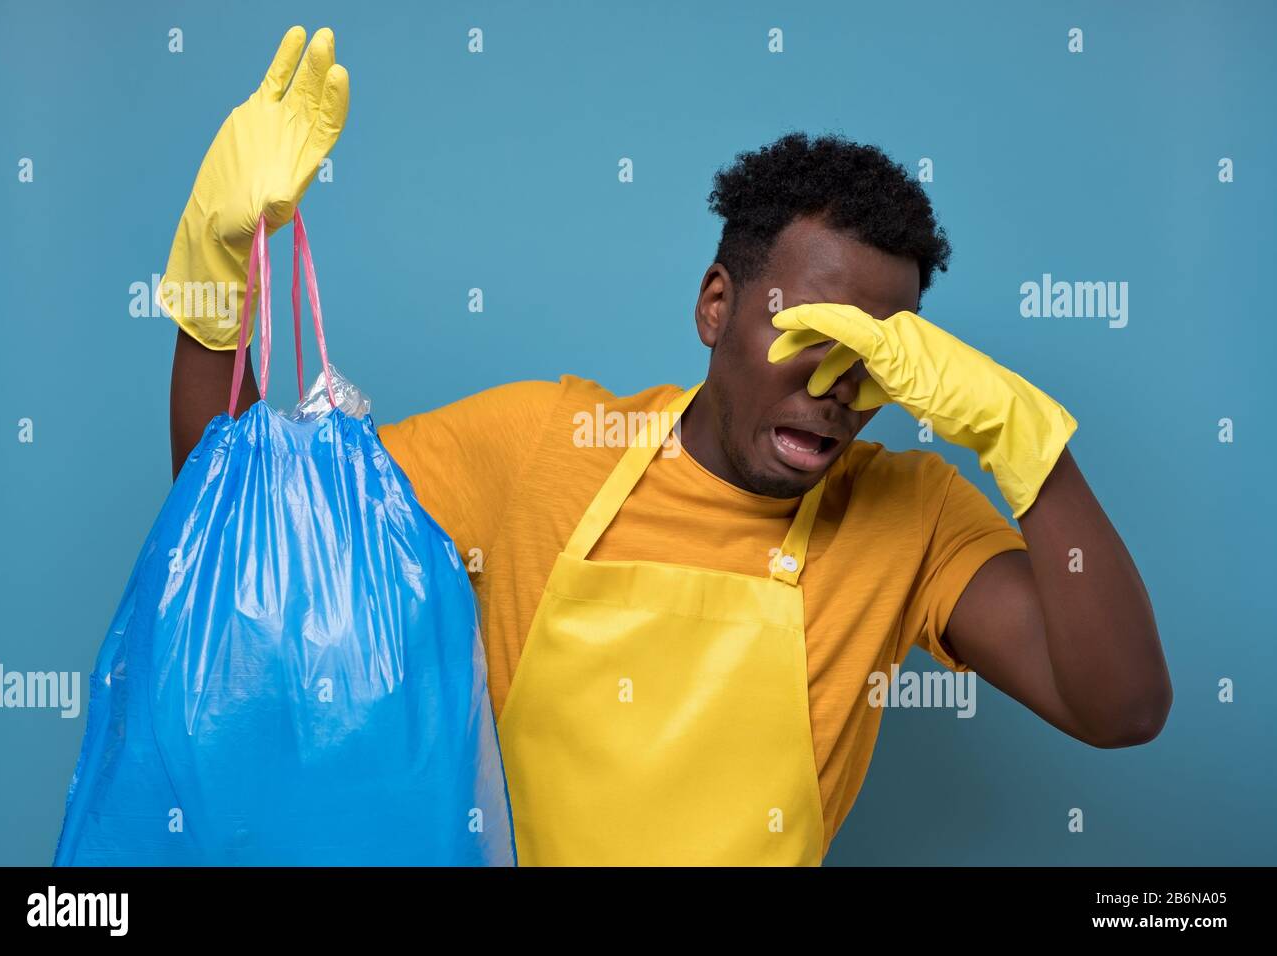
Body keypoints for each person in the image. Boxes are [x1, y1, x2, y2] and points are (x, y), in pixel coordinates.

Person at [163, 27, 1171, 866]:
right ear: (714, 305)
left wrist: (1025, 441)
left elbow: (1121, 706)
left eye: (878, 356)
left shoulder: (909, 517)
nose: (834, 388)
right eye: (808, 334)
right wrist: (217, 281)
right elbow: (243, 545)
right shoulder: (541, 446)